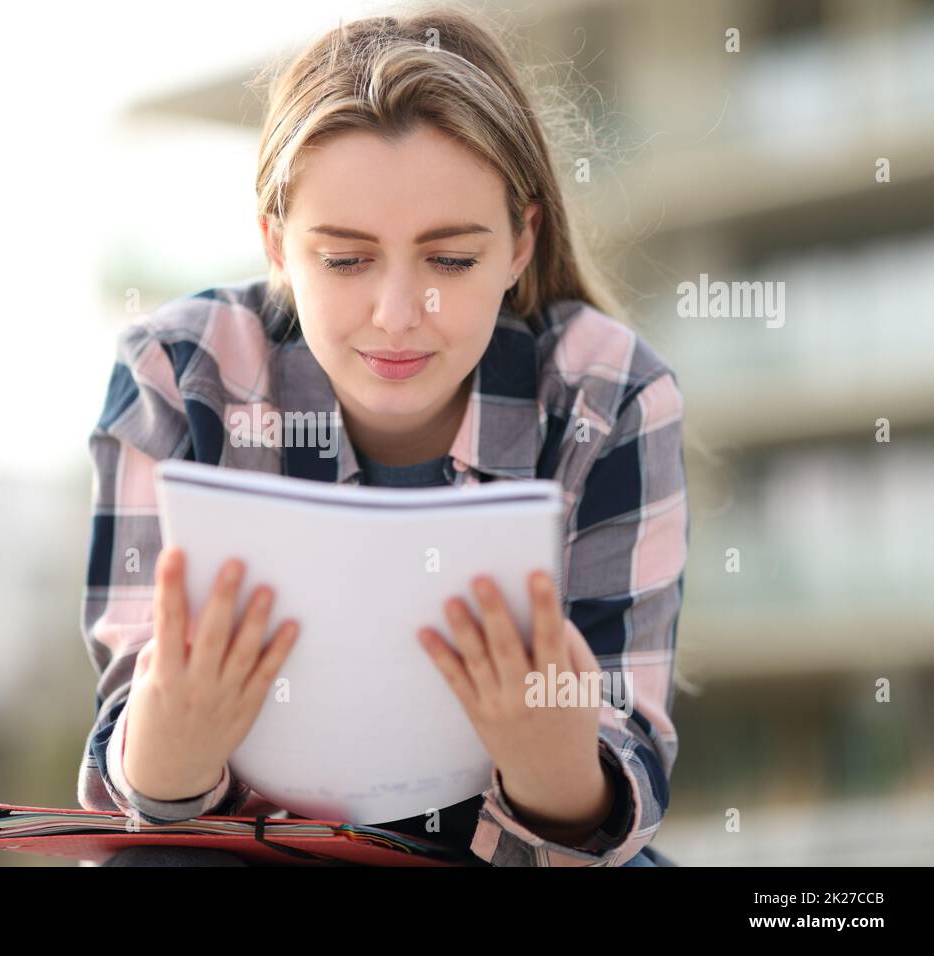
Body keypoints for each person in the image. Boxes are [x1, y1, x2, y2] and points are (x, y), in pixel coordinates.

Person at [77, 6, 688, 867]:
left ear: (520, 243)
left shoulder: (610, 393)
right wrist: (173, 742)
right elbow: (132, 793)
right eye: (345, 260)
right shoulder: (175, 373)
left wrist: (552, 765)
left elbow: (616, 796)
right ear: (277, 247)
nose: (400, 316)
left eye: (450, 261)